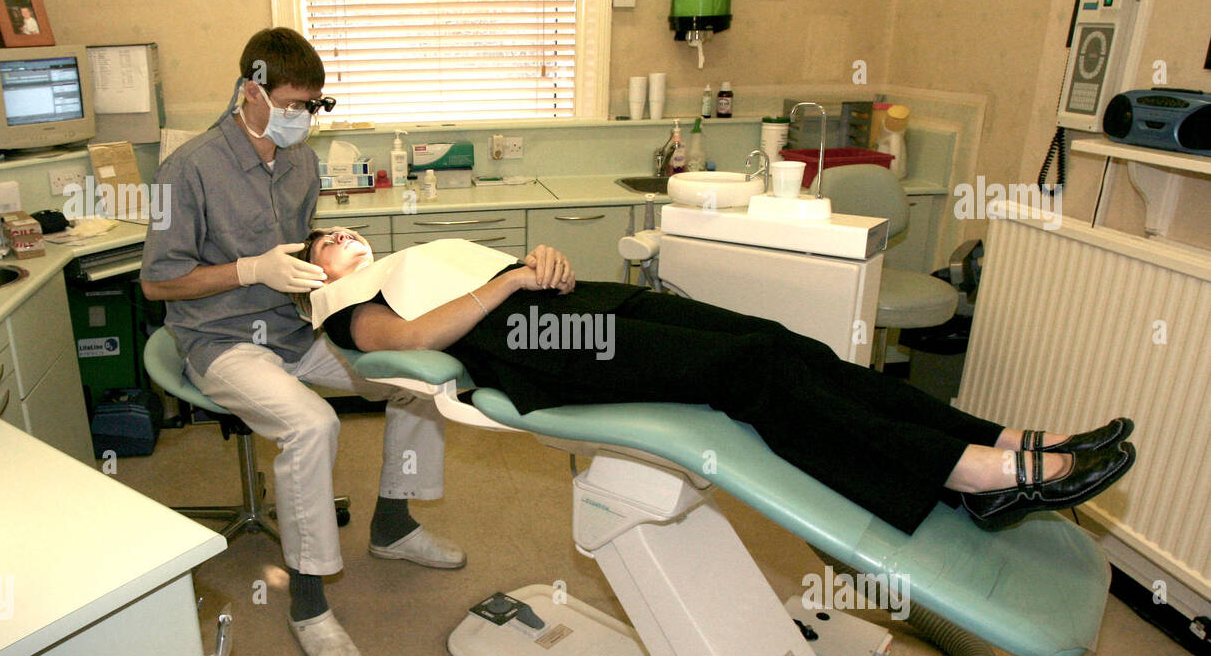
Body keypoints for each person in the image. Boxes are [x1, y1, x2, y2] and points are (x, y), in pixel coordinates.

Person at [297, 229, 1137, 535]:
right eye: (324, 240)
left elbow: (502, 278)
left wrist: (536, 263)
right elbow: (409, 340)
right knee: (745, 373)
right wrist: (514, 285)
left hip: (570, 304)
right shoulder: (347, 305)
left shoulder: (408, 257)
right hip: (539, 343)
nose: (342, 235)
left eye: (341, 228)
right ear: (315, 274)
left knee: (777, 342)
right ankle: (967, 474)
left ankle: (997, 439)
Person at [140, 28, 465, 656]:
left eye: (315, 106)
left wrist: (339, 258)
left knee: (419, 376)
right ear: (250, 90)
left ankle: (393, 524)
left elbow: (301, 249)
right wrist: (248, 269)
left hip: (294, 328)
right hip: (222, 337)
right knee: (314, 423)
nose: (303, 119)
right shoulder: (188, 169)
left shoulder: (298, 163)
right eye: (293, 105)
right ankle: (310, 603)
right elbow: (157, 281)